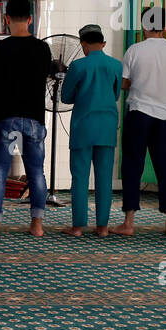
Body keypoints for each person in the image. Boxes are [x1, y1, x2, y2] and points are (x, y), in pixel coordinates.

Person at [0, 0, 51, 237]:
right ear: (30, 19)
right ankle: (37, 225)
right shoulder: (42, 48)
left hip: (5, 116)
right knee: (36, 173)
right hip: (33, 118)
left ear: (6, 19)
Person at [115, 5, 166, 237]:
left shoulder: (134, 50)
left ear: (144, 26)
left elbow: (124, 84)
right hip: (164, 118)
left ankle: (128, 223)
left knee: (132, 166)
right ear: (165, 27)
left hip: (138, 114)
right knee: (165, 169)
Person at [60, 25, 122, 237]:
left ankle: (77, 227)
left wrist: (82, 93)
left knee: (80, 177)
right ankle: (103, 227)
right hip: (107, 127)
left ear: (83, 44)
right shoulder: (115, 65)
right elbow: (115, 95)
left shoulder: (78, 66)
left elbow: (65, 97)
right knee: (104, 178)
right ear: (103, 44)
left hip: (83, 127)